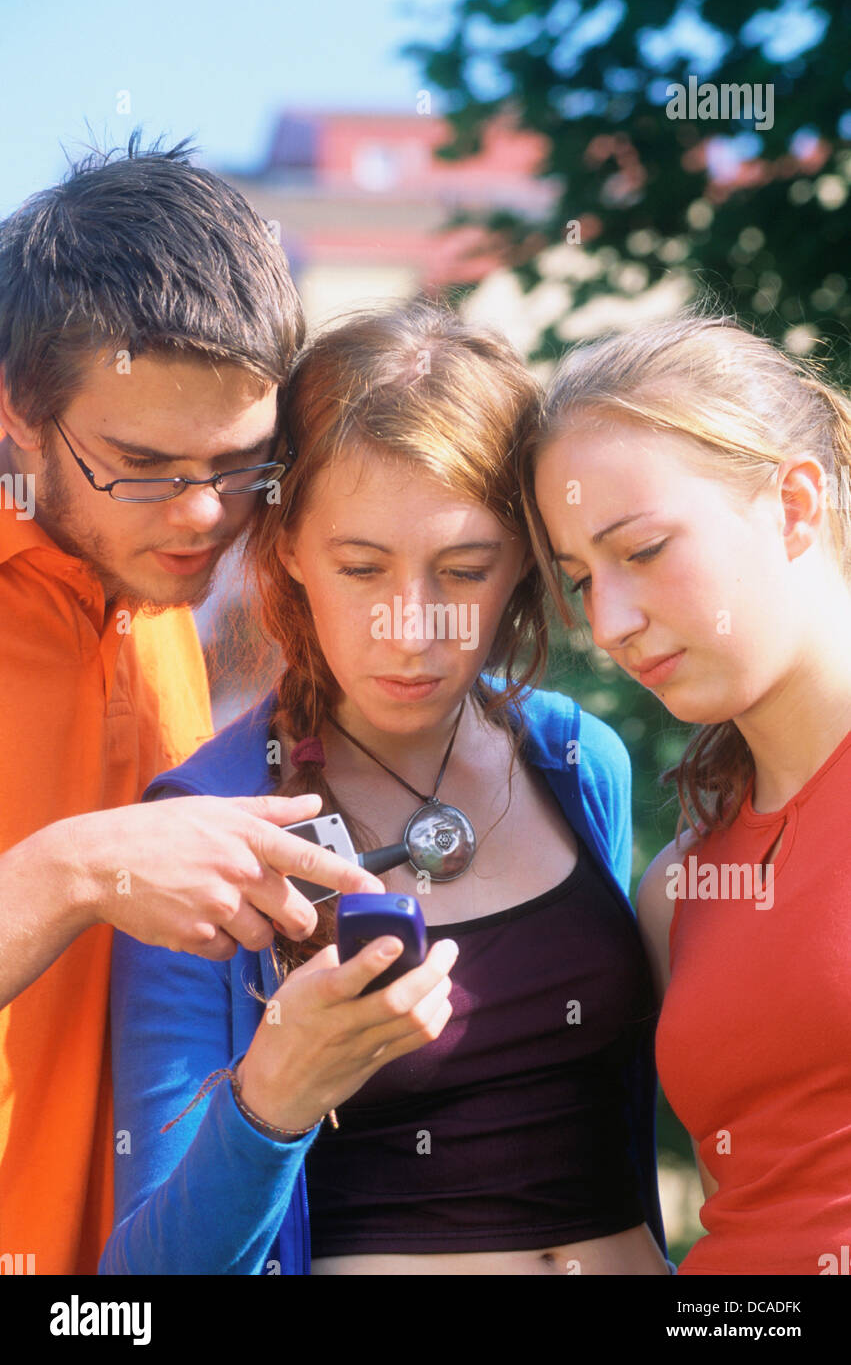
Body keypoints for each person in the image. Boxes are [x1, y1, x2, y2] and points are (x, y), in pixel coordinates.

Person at [100, 301, 669, 1276]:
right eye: (361, 568)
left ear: (524, 559)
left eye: (463, 568)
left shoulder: (578, 759)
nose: (411, 629)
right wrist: (272, 1096)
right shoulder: (202, 823)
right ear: (285, 547)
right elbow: (143, 1283)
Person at [0, 134, 383, 1275]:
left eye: (238, 464)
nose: (204, 518)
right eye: (145, 464)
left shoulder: (158, 589)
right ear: (18, 410)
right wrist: (74, 871)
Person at [521, 310, 851, 1275]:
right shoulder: (679, 890)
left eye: (646, 549)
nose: (607, 623)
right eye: (578, 580)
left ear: (795, 505)